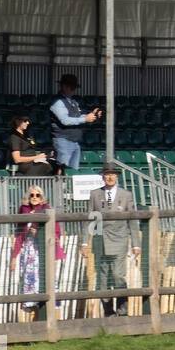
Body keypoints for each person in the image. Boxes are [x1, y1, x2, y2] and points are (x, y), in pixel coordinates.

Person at [88, 164, 141, 317]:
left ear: (117, 176)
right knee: (103, 279)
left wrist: (136, 244)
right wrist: (87, 242)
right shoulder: (95, 194)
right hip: (101, 241)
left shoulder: (126, 195)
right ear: (102, 176)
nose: (110, 177)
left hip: (119, 240)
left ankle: (122, 310)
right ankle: (108, 312)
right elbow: (91, 220)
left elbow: (132, 220)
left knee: (118, 275)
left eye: (113, 174)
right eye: (107, 174)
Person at [9, 183, 64, 312]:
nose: (34, 197)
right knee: (29, 274)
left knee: (47, 273)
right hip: (29, 248)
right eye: (31, 195)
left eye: (37, 195)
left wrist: (39, 233)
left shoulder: (46, 209)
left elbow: (56, 232)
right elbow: (19, 233)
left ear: (41, 197)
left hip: (44, 246)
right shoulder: (24, 209)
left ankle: (50, 301)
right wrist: (14, 256)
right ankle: (31, 302)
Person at [49, 74, 101, 172]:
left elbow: (77, 117)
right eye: (72, 87)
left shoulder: (73, 102)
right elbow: (65, 120)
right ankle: (60, 186)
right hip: (63, 140)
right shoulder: (58, 102)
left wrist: (91, 116)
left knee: (72, 170)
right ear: (64, 87)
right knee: (62, 167)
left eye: (74, 87)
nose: (73, 90)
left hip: (74, 140)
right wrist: (85, 119)